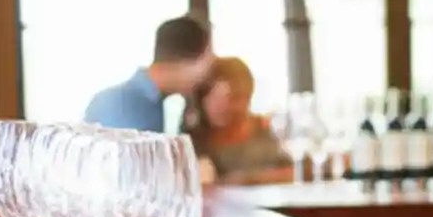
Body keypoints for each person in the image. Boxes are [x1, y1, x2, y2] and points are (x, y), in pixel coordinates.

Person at [84, 16, 215, 132]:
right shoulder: (122, 104)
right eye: (207, 58)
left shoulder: (154, 104)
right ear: (186, 62)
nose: (208, 73)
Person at [184, 56, 292, 184]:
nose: (225, 107)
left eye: (234, 99)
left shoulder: (262, 129)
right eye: (218, 99)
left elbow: (295, 170)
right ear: (204, 99)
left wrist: (248, 180)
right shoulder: (193, 142)